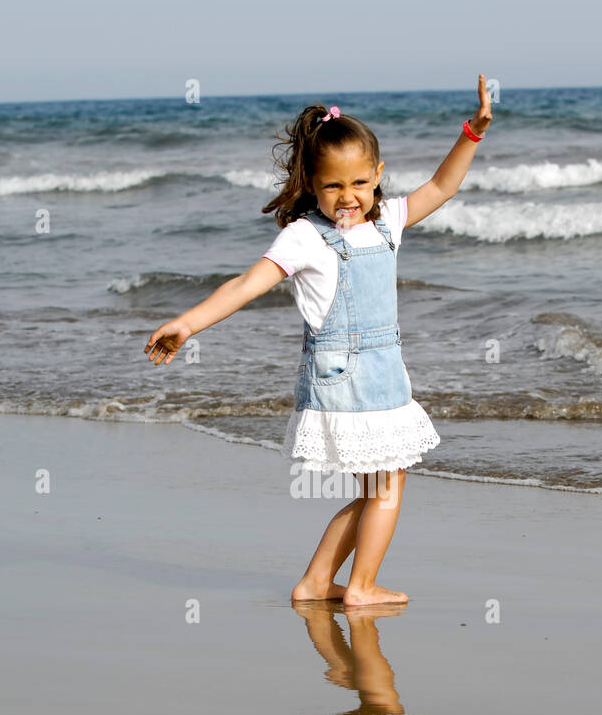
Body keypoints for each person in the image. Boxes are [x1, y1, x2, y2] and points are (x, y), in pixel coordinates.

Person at [145, 75, 493, 606]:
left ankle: (317, 582)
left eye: (359, 183)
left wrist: (472, 132)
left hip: (384, 375)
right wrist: (188, 324)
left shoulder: (388, 221)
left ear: (377, 176)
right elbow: (245, 284)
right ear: (312, 183)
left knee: (377, 487)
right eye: (333, 186)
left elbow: (442, 187)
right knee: (386, 488)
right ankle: (361, 586)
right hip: (344, 380)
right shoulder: (304, 235)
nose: (348, 197)